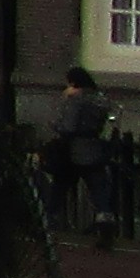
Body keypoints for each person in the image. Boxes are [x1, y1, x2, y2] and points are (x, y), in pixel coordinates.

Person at [48, 65, 114, 244]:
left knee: (59, 188)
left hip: (73, 150)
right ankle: (104, 219)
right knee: (99, 191)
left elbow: (68, 127)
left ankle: (47, 221)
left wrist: (55, 124)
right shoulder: (100, 100)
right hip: (94, 149)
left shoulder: (76, 100)